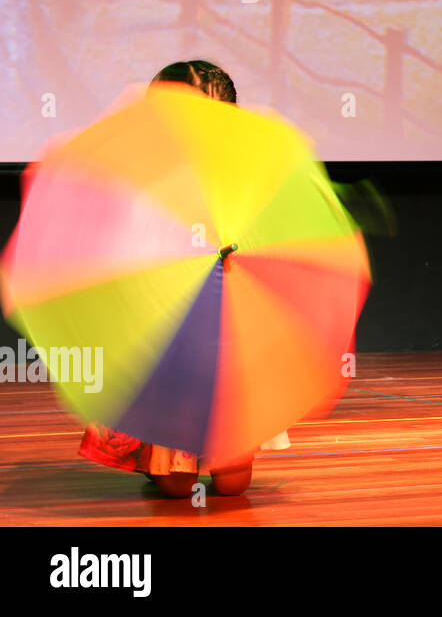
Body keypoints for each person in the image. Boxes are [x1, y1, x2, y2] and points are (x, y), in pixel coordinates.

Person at [77, 60, 290, 497]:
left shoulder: (243, 172)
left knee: (233, 484)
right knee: (176, 488)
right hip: (168, 325)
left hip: (227, 325)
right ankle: (167, 455)